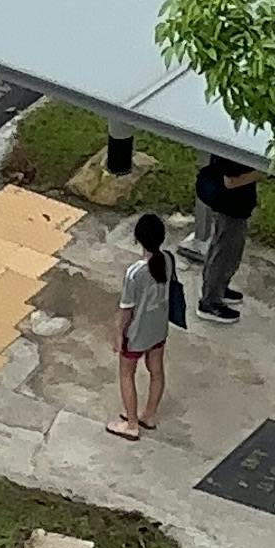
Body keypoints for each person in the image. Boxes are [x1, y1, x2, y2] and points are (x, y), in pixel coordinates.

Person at [109, 210, 174, 438]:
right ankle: (150, 414)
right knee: (156, 370)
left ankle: (131, 425)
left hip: (136, 333)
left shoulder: (135, 273)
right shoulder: (167, 259)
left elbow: (126, 309)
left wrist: (119, 334)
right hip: (158, 329)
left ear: (137, 239)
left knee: (127, 373)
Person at [190, 154, 260, 321]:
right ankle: (210, 302)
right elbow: (231, 181)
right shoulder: (233, 158)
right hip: (232, 207)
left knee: (220, 247)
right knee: (226, 254)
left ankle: (216, 288)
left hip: (234, 205)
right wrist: (264, 173)